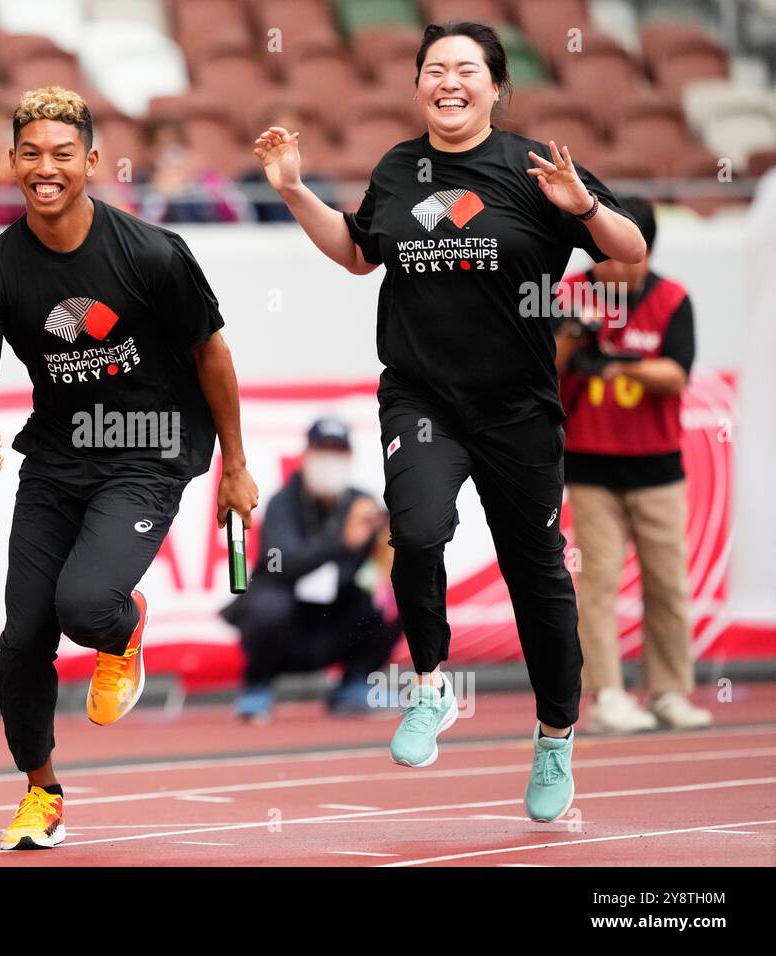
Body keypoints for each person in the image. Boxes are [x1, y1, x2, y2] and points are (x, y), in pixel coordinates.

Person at [253, 19, 646, 822]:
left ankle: (554, 736)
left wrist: (588, 210)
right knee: (418, 525)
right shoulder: (401, 168)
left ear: (496, 86)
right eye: (435, 68)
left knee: (535, 575)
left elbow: (631, 250)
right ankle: (431, 689)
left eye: (467, 68)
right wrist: (295, 190)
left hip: (517, 410)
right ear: (419, 85)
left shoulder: (536, 167)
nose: (449, 81)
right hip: (422, 396)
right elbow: (361, 255)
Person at [0, 86, 258, 849]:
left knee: (85, 605)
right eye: (30, 154)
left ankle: (124, 632)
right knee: (24, 634)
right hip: (56, 458)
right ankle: (41, 793)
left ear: (91, 161)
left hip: (150, 448)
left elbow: (212, 355)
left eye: (62, 154)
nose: (45, 169)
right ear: (10, 163)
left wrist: (235, 466)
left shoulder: (152, 254)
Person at [553, 195, 713, 734]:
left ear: (645, 250)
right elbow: (541, 367)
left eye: (625, 255)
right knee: (595, 583)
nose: (613, 267)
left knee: (667, 584)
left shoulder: (672, 299)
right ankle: (609, 695)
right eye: (603, 254)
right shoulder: (569, 293)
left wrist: (620, 361)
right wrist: (574, 337)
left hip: (657, 467)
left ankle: (669, 691)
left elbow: (677, 374)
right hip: (590, 465)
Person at [222, 417, 401, 722]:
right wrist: (341, 542)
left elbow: (379, 569)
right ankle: (258, 687)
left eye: (338, 451)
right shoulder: (282, 503)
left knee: (396, 599)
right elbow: (279, 565)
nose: (329, 459)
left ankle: (355, 685)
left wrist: (387, 543)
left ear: (349, 458)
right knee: (266, 605)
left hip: (337, 622)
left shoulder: (362, 504)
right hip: (290, 629)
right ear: (306, 454)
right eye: (322, 449)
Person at [139, 118, 251, 224]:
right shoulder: (141, 182)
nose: (171, 152)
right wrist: (161, 196)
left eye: (176, 144)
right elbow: (142, 229)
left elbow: (243, 215)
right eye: (162, 145)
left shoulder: (206, 177)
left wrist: (201, 182)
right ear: (149, 152)